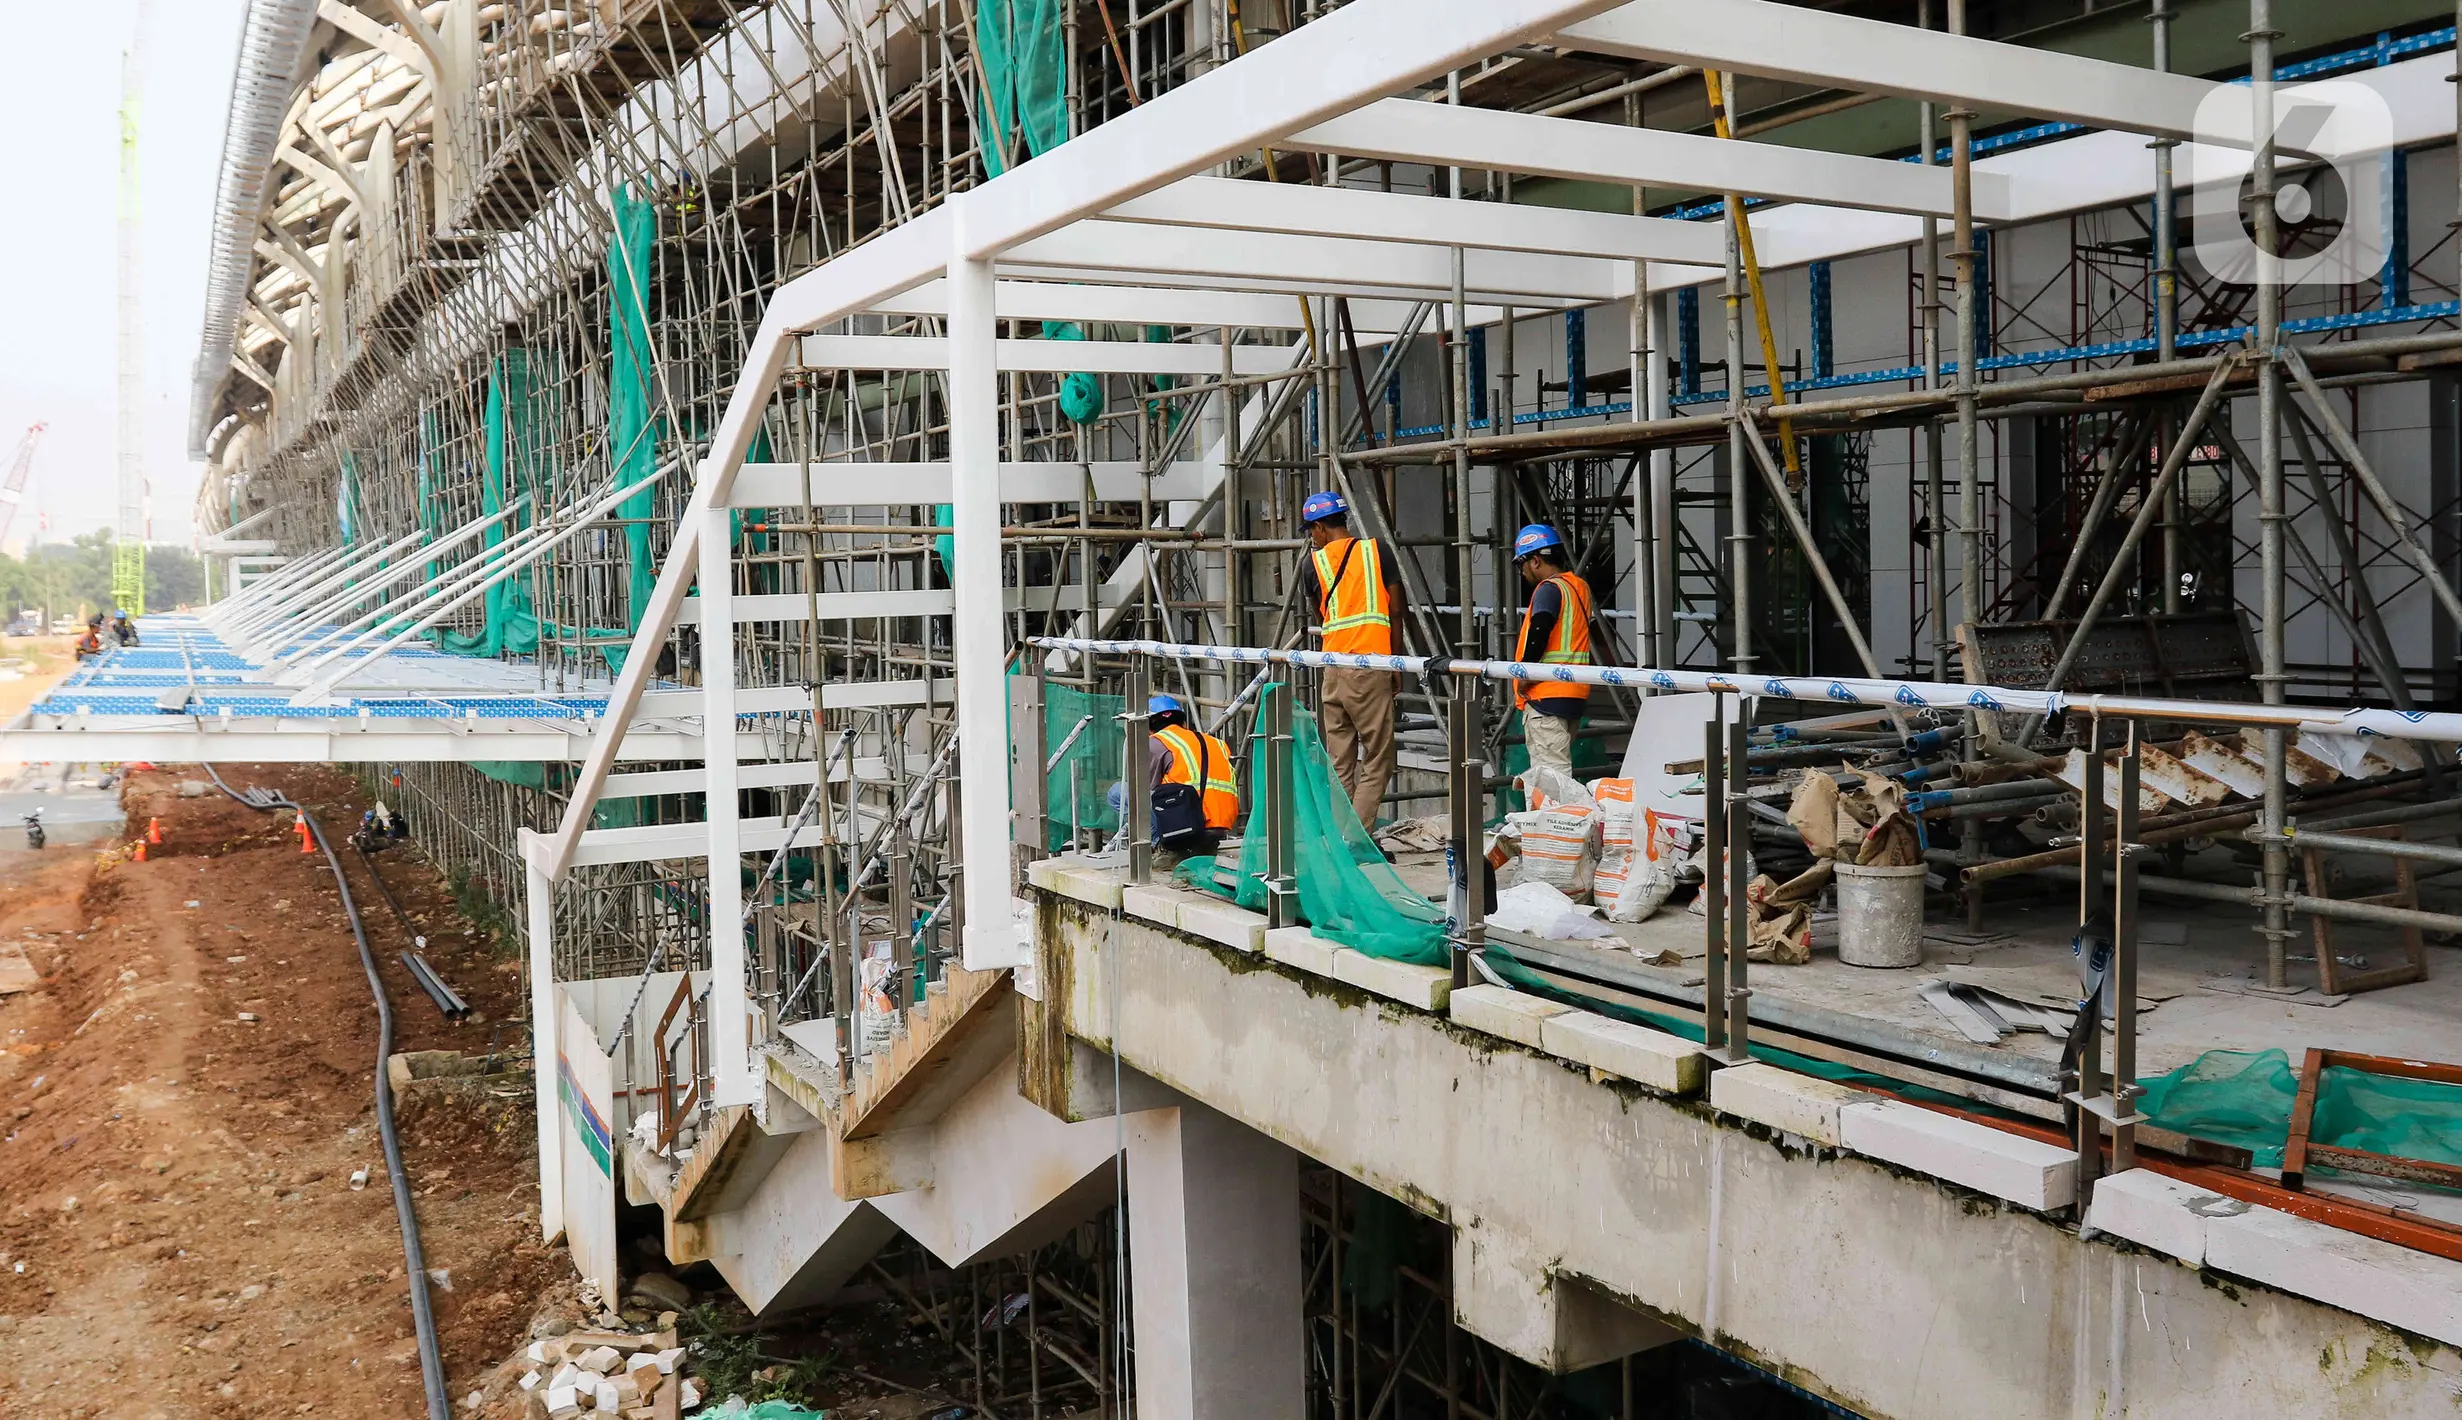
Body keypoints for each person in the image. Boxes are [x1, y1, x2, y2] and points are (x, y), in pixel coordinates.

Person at [1294, 490, 1406, 830]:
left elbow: (1322, 614)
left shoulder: (1312, 565)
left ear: (1320, 527)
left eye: (1311, 531)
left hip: (1333, 669)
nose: (1311, 538)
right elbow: (1397, 609)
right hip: (1370, 666)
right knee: (1379, 757)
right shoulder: (1377, 552)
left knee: (1340, 759)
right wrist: (1396, 663)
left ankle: (1345, 836)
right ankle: (1357, 837)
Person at [1510, 524, 1594, 780]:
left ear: (1535, 560)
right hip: (1572, 694)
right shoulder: (1578, 587)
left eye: (1521, 565)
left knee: (1550, 780)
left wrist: (1526, 672)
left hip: (1545, 695)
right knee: (1554, 775)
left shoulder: (1549, 589)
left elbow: (1540, 630)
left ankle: (1559, 821)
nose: (1522, 572)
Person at [1111, 694, 1241, 857]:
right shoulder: (1216, 742)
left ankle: (1163, 846)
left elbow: (1146, 788)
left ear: (1148, 725)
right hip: (1221, 824)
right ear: (1183, 722)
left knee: (1117, 793)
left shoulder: (1156, 742)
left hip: (1188, 824)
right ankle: (1200, 845)